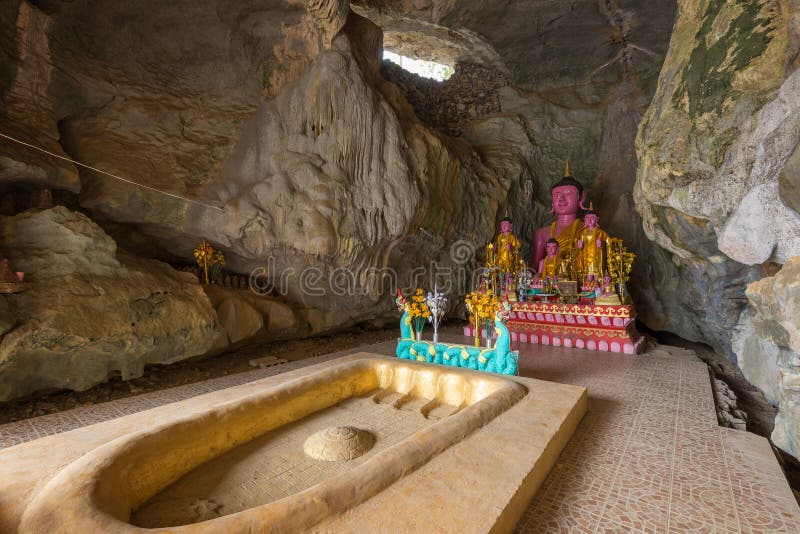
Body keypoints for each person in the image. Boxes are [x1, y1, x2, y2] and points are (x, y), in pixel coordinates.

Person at [532, 161, 589, 271]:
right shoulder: (542, 234)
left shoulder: (588, 231)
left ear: (581, 198)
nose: (562, 199)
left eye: (569, 194)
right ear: (552, 201)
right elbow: (535, 267)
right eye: (557, 195)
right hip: (550, 283)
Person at [576, 206, 608, 282]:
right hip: (586, 256)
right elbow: (580, 246)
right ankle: (589, 290)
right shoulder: (583, 232)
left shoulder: (600, 232)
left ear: (597, 219)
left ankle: (597, 288)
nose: (590, 220)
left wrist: (601, 244)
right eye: (587, 218)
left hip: (596, 256)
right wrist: (579, 245)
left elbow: (607, 243)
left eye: (592, 218)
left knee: (596, 274)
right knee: (589, 276)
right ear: (585, 220)